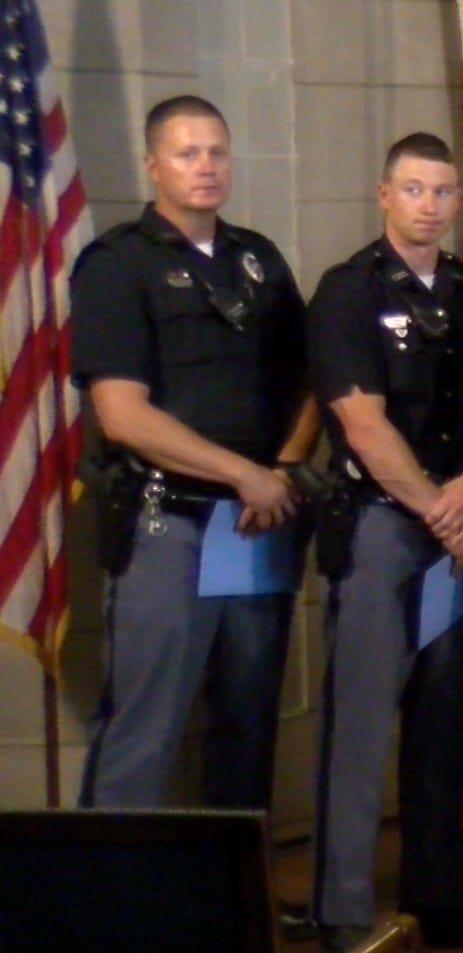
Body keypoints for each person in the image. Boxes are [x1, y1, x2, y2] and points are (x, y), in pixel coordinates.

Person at [72, 95, 317, 811]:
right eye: (186, 153)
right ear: (153, 165)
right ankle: (114, 912)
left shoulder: (258, 259)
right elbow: (122, 416)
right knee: (145, 726)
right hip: (170, 524)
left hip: (257, 525)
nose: (205, 167)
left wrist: (283, 469)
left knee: (247, 726)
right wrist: (245, 474)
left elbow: (309, 380)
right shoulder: (117, 265)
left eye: (216, 152)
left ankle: (226, 909)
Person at [304, 133, 463, 953]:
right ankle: (344, 908)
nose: (429, 206)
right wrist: (437, 505)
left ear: (458, 202)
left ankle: (440, 897)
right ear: (384, 195)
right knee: (358, 724)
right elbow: (359, 421)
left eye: (443, 192)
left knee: (446, 719)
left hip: (454, 520)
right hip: (383, 526)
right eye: (414, 190)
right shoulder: (347, 292)